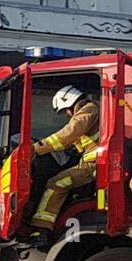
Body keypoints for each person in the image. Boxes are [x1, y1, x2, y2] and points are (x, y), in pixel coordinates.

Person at [30, 85, 100, 238]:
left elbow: (68, 134)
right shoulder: (90, 111)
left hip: (96, 166)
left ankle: (41, 229)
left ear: (70, 100)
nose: (68, 114)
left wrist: (38, 148)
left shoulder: (88, 110)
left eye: (65, 110)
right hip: (95, 164)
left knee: (56, 183)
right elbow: (72, 141)